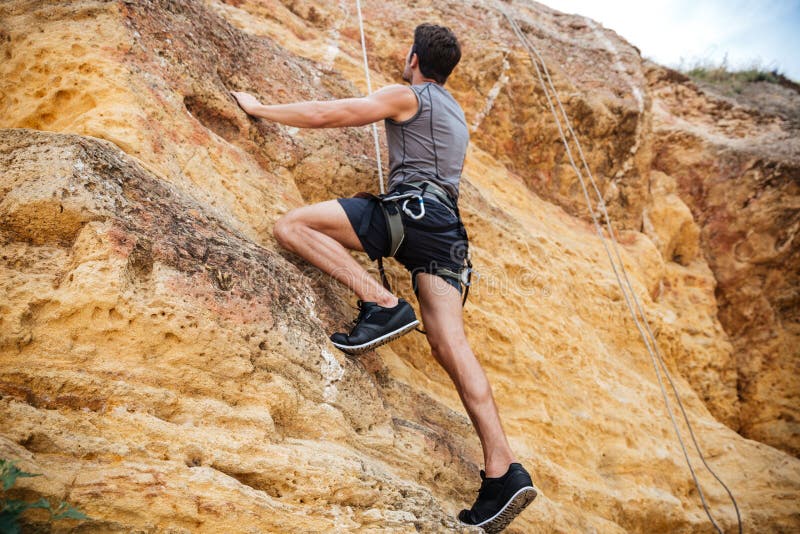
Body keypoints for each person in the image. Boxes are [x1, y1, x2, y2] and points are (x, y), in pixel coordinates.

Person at [232, 23, 536, 532]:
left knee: (291, 225)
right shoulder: (457, 115)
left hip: (410, 213)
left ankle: (381, 303)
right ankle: (503, 470)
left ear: (413, 56)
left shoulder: (407, 94)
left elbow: (333, 114)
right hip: (447, 233)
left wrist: (259, 108)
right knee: (451, 345)